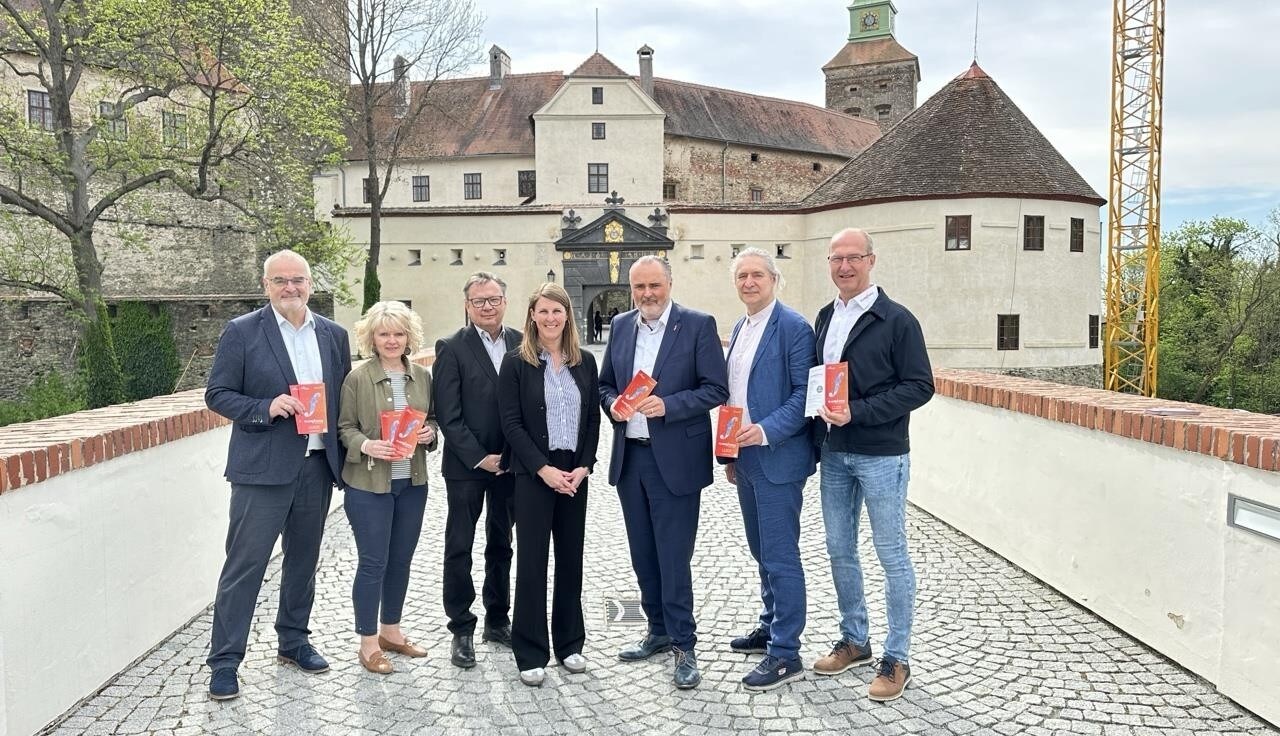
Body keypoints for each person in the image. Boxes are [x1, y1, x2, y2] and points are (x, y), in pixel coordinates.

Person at [203, 249, 352, 701]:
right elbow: (217, 393)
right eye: (280, 281)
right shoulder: (243, 331)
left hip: (317, 465)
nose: (291, 288)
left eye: (299, 280)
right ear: (266, 285)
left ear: (310, 284)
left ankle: (294, 641)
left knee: (304, 561)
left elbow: (343, 397)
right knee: (244, 566)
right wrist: (264, 408)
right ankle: (225, 661)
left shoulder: (333, 334)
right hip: (262, 471)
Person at [813, 228, 934, 702]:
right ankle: (855, 640)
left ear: (871, 260)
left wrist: (858, 412)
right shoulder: (826, 316)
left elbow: (919, 386)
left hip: (882, 452)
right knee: (839, 549)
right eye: (836, 259)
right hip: (834, 452)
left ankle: (897, 656)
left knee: (891, 554)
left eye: (853, 258)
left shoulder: (897, 320)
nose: (844, 266)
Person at [599, 255, 728, 690]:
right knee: (643, 554)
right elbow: (604, 385)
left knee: (674, 556)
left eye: (654, 285)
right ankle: (655, 630)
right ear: (630, 290)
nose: (647, 294)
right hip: (630, 457)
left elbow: (716, 388)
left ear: (669, 283)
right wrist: (614, 404)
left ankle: (684, 644)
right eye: (639, 288)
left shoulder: (696, 324)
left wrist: (669, 406)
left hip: (674, 459)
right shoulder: (620, 326)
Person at [720, 248, 816, 691]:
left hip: (777, 455)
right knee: (761, 551)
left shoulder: (794, 328)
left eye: (757, 274)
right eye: (742, 275)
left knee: (781, 555)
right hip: (747, 457)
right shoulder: (740, 326)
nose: (749, 282)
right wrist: (731, 454)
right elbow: (735, 395)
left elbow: (803, 396)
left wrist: (763, 431)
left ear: (775, 279)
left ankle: (785, 653)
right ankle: (769, 624)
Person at [497, 283, 600, 687]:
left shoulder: (584, 362)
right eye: (544, 312)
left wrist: (584, 466)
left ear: (567, 316)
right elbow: (512, 424)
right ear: (532, 316)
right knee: (533, 562)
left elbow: (592, 419)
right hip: (534, 474)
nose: (551, 319)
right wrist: (542, 469)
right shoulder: (516, 363)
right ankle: (530, 651)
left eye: (558, 312)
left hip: (574, 473)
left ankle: (570, 644)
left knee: (571, 559)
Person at [337, 301, 438, 675]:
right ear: (371, 338)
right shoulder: (358, 378)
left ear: (409, 337)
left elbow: (432, 425)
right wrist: (367, 444)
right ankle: (367, 643)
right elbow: (344, 428)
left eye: (398, 333)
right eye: (384, 334)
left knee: (400, 561)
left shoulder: (423, 377)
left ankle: (391, 632)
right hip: (368, 485)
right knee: (373, 562)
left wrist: (429, 434)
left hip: (412, 483)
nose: (392, 340)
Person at [432, 273, 522, 668]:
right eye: (479, 300)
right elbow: (448, 416)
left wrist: (516, 455)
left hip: (513, 465)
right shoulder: (451, 348)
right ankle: (462, 628)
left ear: (505, 301)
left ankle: (498, 620)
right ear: (467, 306)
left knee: (502, 544)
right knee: (460, 547)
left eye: (494, 299)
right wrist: (479, 456)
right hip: (467, 467)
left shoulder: (523, 341)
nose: (487, 306)